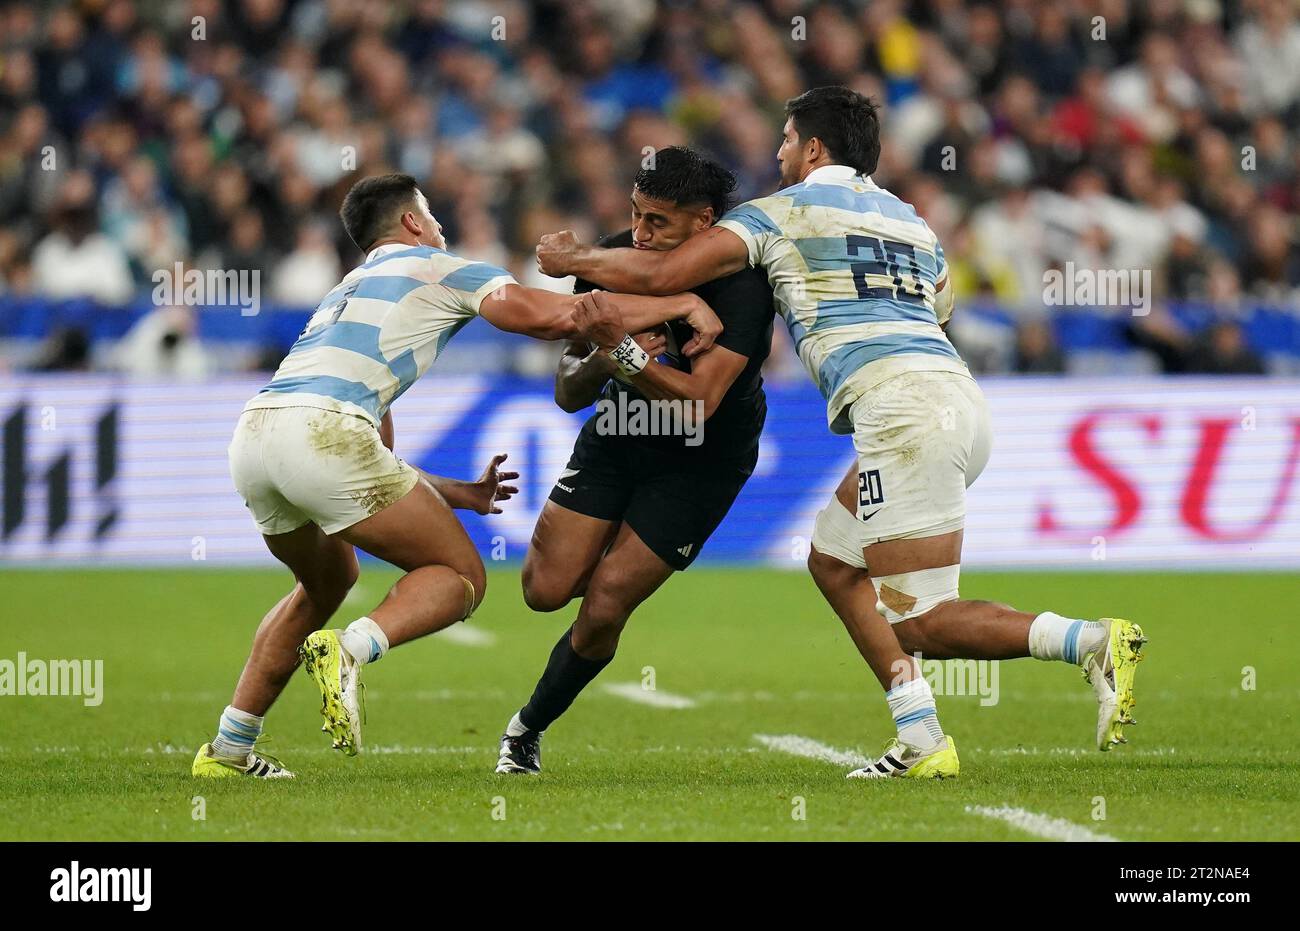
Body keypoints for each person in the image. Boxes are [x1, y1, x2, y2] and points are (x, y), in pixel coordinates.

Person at [536, 87, 1146, 779]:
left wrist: (575, 258)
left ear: (814, 148)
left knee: (922, 621)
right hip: (954, 398)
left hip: (901, 415)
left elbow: (666, 268)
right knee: (833, 559)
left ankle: (1089, 640)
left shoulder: (781, 213)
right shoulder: (912, 222)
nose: (778, 152)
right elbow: (938, 310)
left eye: (787, 139)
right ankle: (920, 735)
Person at [193, 172, 722, 778]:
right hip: (325, 435)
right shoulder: (438, 267)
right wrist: (679, 302)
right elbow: (557, 317)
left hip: (257, 435)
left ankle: (231, 748)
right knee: (461, 576)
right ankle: (350, 648)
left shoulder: (347, 290)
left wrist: (455, 492)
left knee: (326, 581)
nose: (441, 227)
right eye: (433, 216)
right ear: (413, 224)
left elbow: (370, 450)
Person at [495, 147, 776, 774]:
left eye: (658, 224)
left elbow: (699, 405)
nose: (640, 236)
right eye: (636, 217)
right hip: (618, 437)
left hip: (702, 460)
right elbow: (568, 392)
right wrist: (599, 358)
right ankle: (598, 549)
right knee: (544, 591)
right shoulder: (612, 258)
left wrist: (624, 353)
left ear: (704, 223)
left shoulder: (744, 285)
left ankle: (525, 729)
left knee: (604, 605)